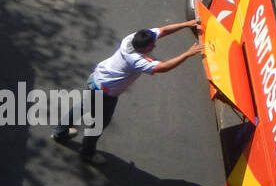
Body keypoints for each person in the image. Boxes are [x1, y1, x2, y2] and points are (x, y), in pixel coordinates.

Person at [53, 20, 202, 164]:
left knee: (82, 108)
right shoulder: (136, 61)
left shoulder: (130, 39)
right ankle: (87, 153)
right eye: (152, 45)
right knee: (99, 123)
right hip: (105, 93)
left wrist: (186, 24)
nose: (154, 46)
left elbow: (163, 30)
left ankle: (60, 133)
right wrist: (187, 54)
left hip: (96, 79)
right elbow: (162, 68)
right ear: (144, 49)